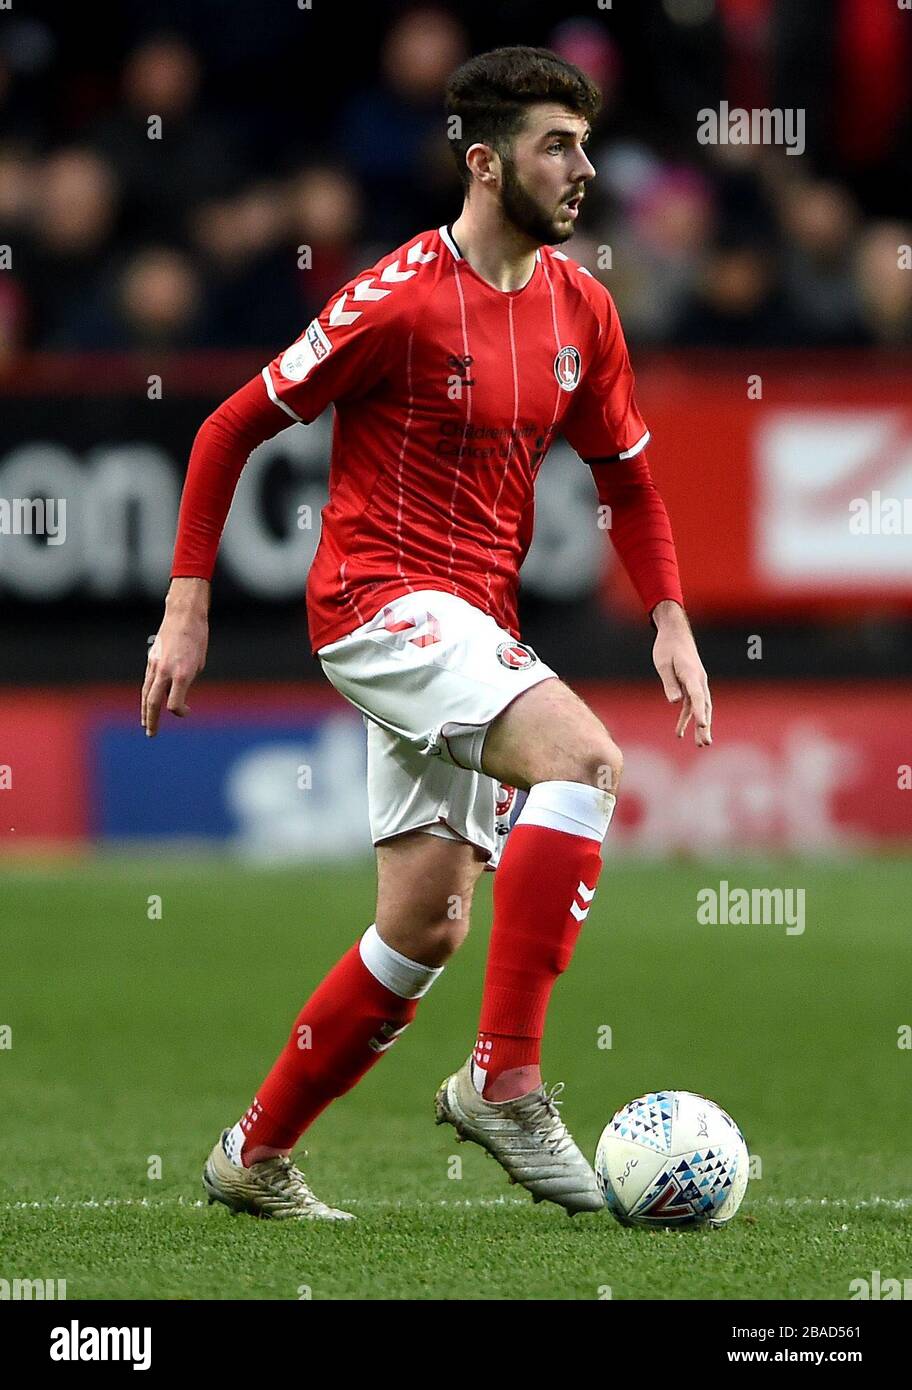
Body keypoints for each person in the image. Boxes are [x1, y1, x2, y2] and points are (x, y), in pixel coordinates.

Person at [141, 45, 712, 1222]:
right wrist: (185, 605)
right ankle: (506, 1078)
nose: (584, 170)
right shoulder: (397, 297)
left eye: (587, 146)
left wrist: (669, 612)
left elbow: (632, 477)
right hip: (377, 601)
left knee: (427, 923)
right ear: (485, 161)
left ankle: (251, 1154)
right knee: (586, 761)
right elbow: (224, 429)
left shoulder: (581, 308)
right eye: (559, 145)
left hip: (470, 620)